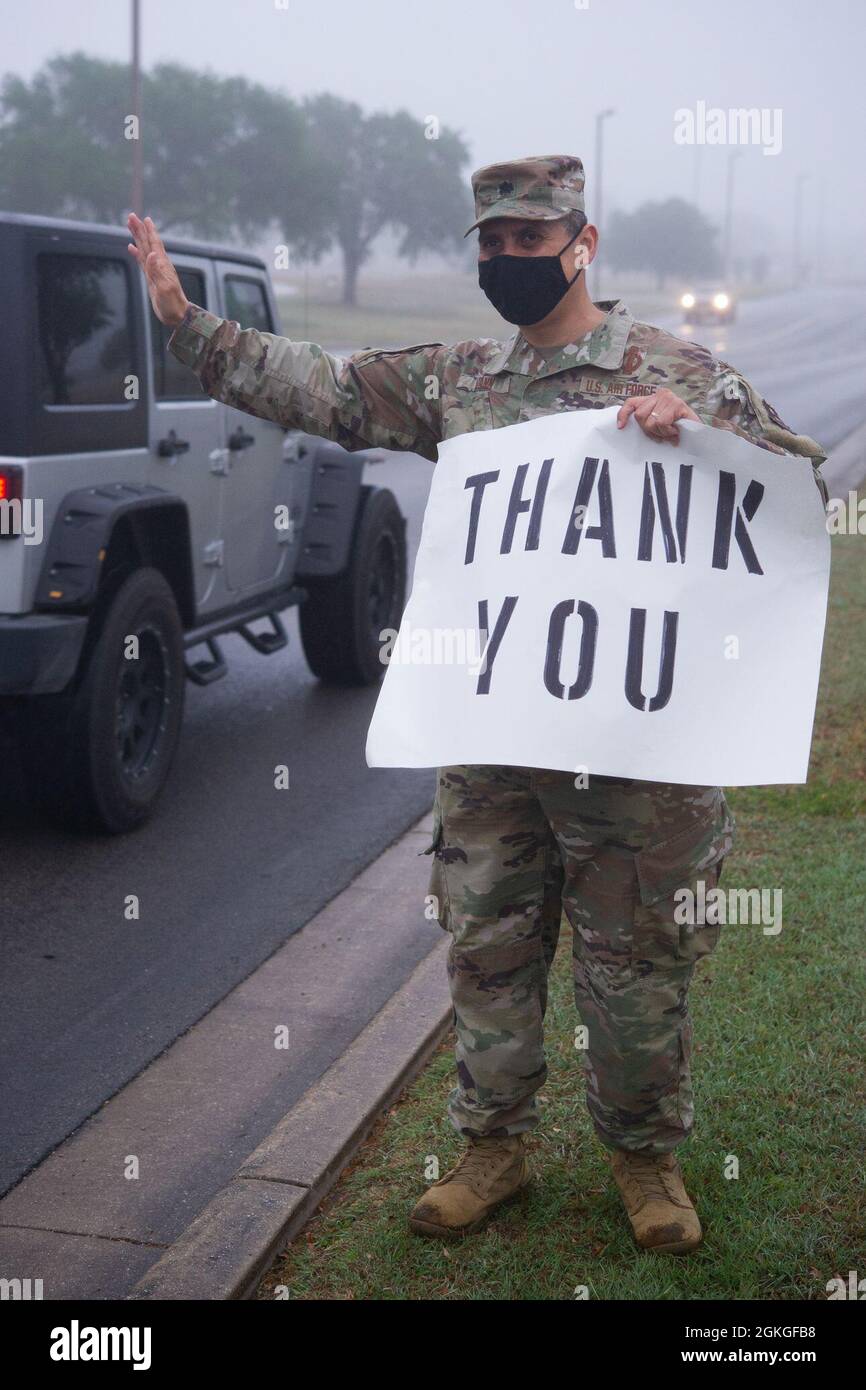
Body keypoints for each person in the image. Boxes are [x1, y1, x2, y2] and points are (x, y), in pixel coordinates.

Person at [127, 154, 827, 1254]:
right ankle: (489, 1149)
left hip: (635, 759)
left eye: (528, 243)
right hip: (496, 741)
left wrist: (699, 437)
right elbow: (328, 388)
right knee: (487, 950)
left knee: (635, 967)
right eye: (490, 245)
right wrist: (189, 324)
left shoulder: (680, 373)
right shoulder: (459, 381)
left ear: (579, 245)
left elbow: (797, 486)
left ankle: (643, 1160)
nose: (506, 260)